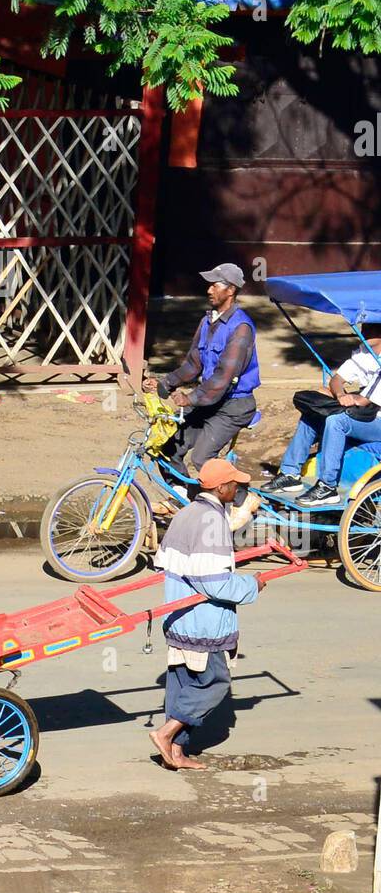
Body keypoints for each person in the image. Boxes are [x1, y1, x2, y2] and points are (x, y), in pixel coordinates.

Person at [149, 458, 267, 771]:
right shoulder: (212, 522)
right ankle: (166, 733)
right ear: (221, 487)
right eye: (235, 485)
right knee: (215, 681)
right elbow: (214, 582)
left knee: (182, 682)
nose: (238, 489)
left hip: (178, 614)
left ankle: (175, 752)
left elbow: (167, 563)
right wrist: (252, 585)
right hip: (203, 621)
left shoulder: (187, 512)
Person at [143, 263, 261, 476]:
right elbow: (193, 364)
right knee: (166, 449)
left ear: (231, 290)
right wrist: (164, 383)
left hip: (233, 406)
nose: (209, 290)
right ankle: (183, 500)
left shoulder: (241, 328)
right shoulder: (207, 321)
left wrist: (190, 398)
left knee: (202, 459)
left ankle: (239, 504)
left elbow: (223, 377)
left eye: (215, 286)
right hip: (208, 401)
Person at [261, 324, 381, 507]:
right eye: (364, 327)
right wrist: (340, 395)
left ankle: (327, 486)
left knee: (336, 421)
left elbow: (365, 400)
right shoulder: (364, 353)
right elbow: (337, 380)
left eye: (372, 328)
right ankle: (290, 473)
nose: (364, 333)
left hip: (377, 420)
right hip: (364, 415)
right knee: (314, 413)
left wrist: (350, 397)